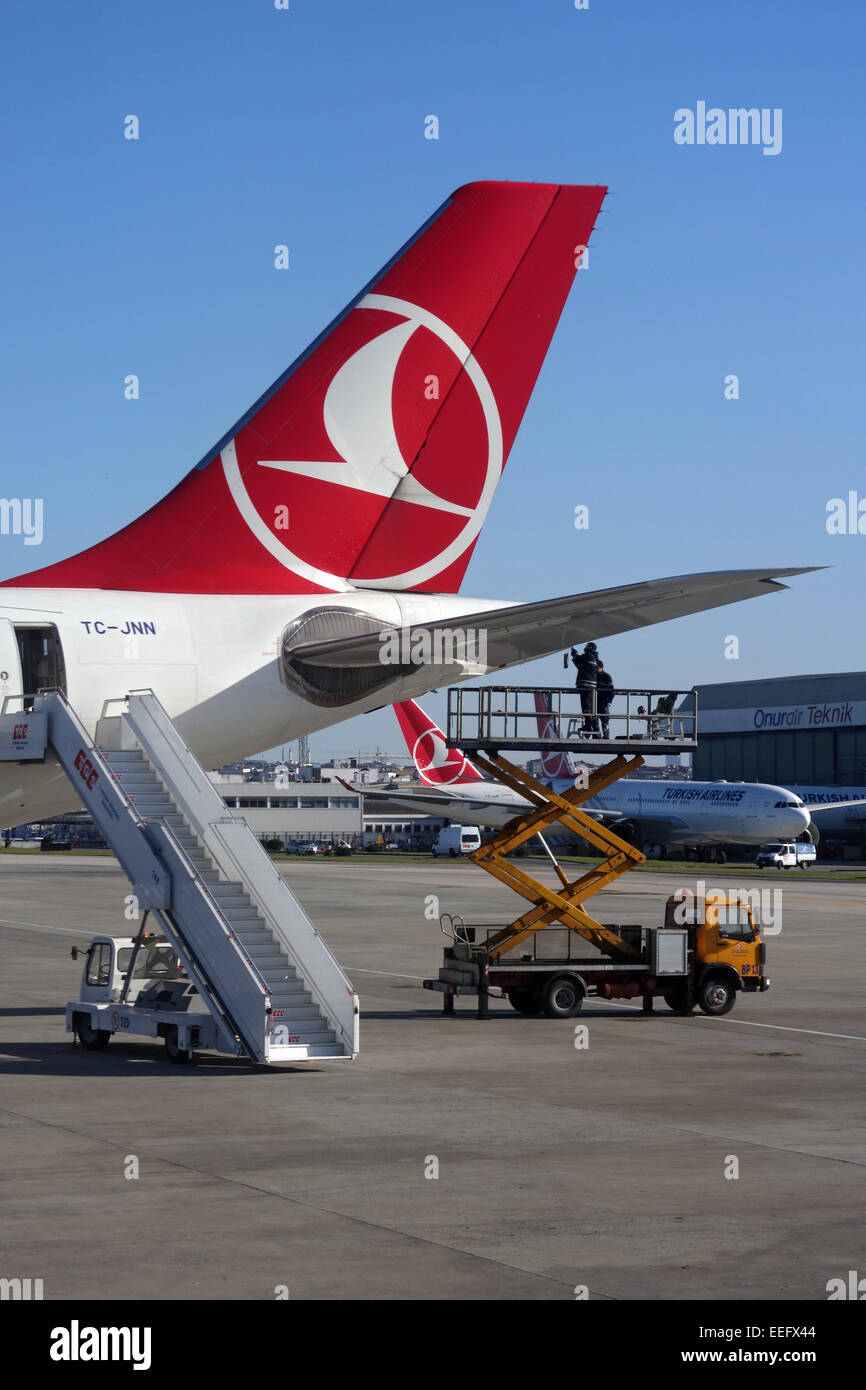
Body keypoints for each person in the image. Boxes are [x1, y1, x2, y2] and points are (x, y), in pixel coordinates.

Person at [570, 642, 599, 733]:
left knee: (586, 706)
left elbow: (579, 660)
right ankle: (592, 726)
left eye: (586, 645)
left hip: (586, 686)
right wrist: (575, 656)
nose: (585, 647)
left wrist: (574, 653)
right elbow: (581, 666)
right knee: (589, 707)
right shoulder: (594, 658)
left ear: (590, 647)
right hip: (590, 686)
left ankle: (588, 726)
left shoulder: (588, 656)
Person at [596, 660, 614, 738]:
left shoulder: (606, 676)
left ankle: (606, 736)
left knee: (605, 720)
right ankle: (596, 736)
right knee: (594, 720)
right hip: (595, 702)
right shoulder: (594, 676)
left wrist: (609, 701)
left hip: (604, 702)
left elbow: (611, 690)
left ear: (600, 667)